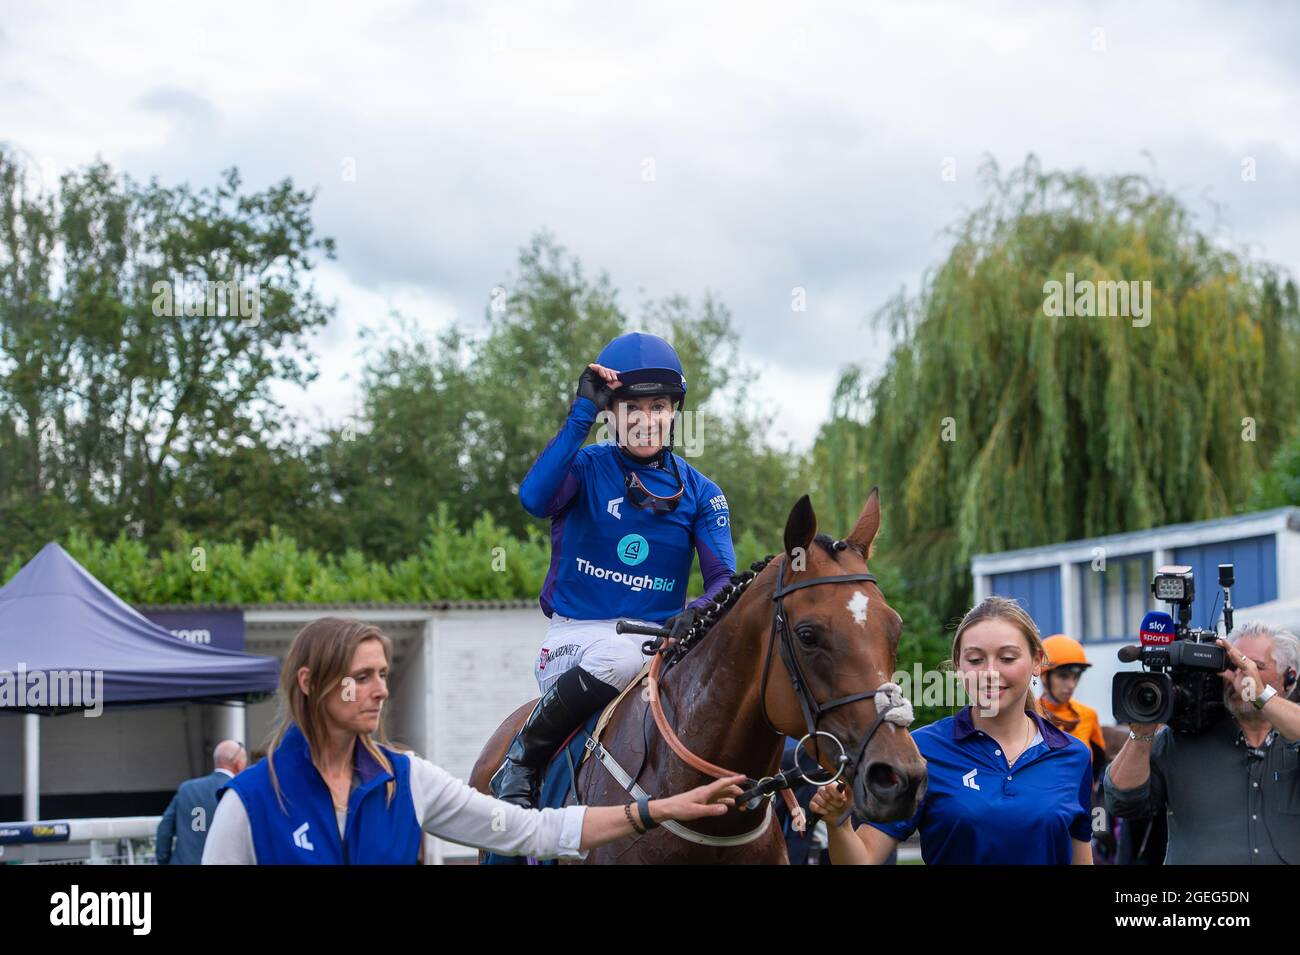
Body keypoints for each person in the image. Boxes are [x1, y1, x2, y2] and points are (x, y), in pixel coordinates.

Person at [202, 617, 743, 864]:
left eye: (384, 675)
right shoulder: (247, 803)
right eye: (362, 677)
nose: (381, 691)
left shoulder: (407, 781)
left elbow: (531, 830)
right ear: (310, 683)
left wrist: (661, 808)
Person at [489, 331, 737, 809]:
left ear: (674, 412)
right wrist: (581, 412)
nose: (648, 420)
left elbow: (723, 580)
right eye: (632, 408)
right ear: (611, 413)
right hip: (575, 641)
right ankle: (520, 760)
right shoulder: (584, 468)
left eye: (660, 407)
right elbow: (533, 498)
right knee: (623, 656)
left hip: (660, 645)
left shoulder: (704, 493)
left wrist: (693, 615)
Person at [811, 596, 1094, 865]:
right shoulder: (920, 750)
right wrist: (840, 823)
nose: (990, 672)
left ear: (1037, 662)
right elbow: (864, 858)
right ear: (958, 665)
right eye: (975, 660)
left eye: (1007, 658)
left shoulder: (1074, 755)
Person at [1103, 621, 1300, 864]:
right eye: (1232, 665)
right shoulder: (1181, 738)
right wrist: (1143, 729)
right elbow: (1122, 802)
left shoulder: (1292, 737)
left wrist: (1261, 695)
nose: (1240, 675)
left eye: (1254, 667)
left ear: (1289, 679)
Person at [155, 740, 247, 864]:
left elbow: (164, 829)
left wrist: (164, 861)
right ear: (239, 764)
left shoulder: (187, 789)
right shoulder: (238, 791)